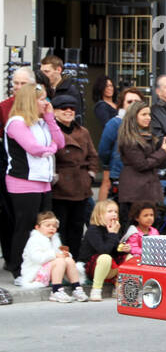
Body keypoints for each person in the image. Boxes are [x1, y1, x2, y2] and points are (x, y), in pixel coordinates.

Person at [5, 83, 65, 278]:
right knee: (25, 226)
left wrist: (50, 118)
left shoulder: (41, 122)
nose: (45, 102)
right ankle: (17, 268)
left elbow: (61, 142)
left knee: (45, 226)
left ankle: (43, 267)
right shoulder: (16, 122)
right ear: (30, 101)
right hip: (23, 182)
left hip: (44, 182)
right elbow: (35, 148)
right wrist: (52, 149)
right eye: (41, 99)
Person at [50, 92, 97, 261]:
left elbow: (93, 155)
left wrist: (90, 175)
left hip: (81, 185)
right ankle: (62, 263)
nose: (68, 111)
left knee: (77, 227)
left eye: (72, 108)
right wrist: (55, 177)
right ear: (54, 111)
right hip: (60, 187)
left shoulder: (83, 131)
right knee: (60, 227)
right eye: (63, 108)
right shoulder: (51, 130)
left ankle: (75, 262)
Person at [0, 66, 37, 275]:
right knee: (9, 216)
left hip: (36, 173)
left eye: (23, 83)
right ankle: (11, 259)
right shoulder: (4, 107)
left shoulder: (40, 106)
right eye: (15, 83)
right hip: (11, 167)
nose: (18, 87)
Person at [117, 100, 166, 218]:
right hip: (135, 192)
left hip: (147, 190)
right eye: (144, 114)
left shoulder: (147, 136)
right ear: (133, 116)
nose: (148, 118)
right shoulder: (129, 140)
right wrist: (163, 151)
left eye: (149, 114)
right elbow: (142, 164)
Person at [20, 210, 87, 302]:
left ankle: (77, 288)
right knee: (60, 261)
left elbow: (59, 253)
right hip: (36, 272)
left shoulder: (55, 239)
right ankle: (56, 290)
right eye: (48, 226)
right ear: (37, 227)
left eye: (54, 226)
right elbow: (36, 258)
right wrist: (55, 255)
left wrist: (65, 255)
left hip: (51, 270)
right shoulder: (34, 240)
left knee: (69, 260)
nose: (52, 228)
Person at [98, 86, 144, 202]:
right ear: (122, 105)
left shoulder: (146, 125)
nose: (133, 104)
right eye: (129, 102)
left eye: (136, 102)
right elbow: (104, 151)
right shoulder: (114, 123)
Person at [82, 199, 127, 301]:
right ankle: (96, 290)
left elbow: (114, 251)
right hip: (91, 269)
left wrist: (123, 249)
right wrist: (113, 234)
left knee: (130, 257)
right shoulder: (93, 230)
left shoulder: (113, 229)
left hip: (108, 268)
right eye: (110, 211)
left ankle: (119, 287)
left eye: (116, 212)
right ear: (99, 215)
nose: (114, 214)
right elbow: (104, 251)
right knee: (105, 257)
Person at [39, 53, 83, 121]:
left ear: (59, 70)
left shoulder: (71, 91)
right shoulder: (41, 89)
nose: (43, 75)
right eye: (41, 72)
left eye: (46, 72)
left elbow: (77, 117)